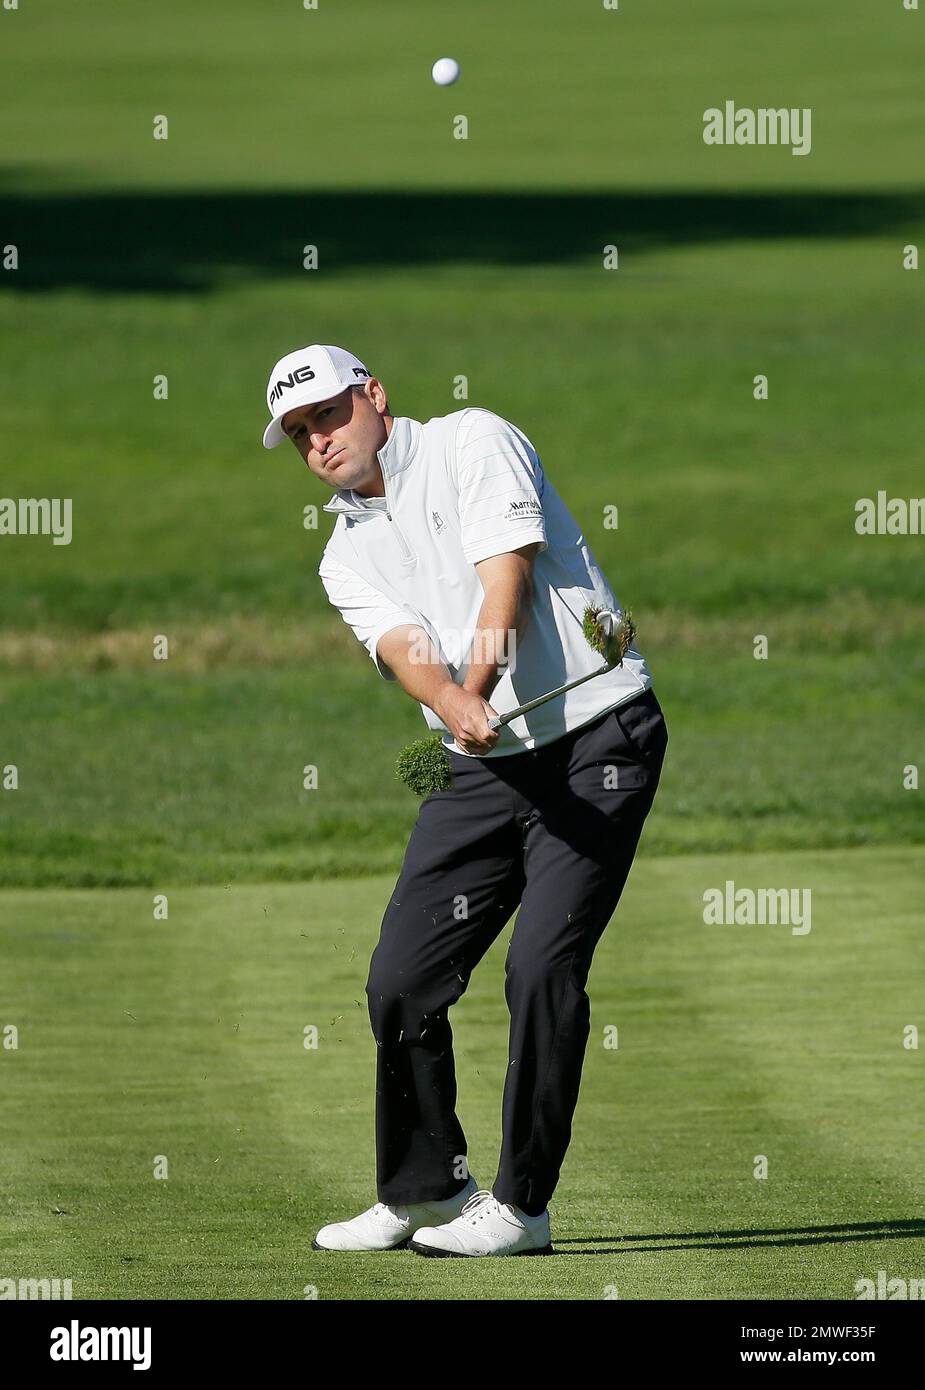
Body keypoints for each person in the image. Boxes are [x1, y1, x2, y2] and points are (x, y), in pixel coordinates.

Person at [261, 343, 669, 1257]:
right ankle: (427, 1187)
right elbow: (407, 649)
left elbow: (505, 578)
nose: (318, 441)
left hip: (598, 740)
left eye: (327, 414)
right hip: (480, 765)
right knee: (400, 979)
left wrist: (472, 687)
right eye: (298, 434)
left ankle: (523, 1206)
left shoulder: (471, 439)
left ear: (372, 396)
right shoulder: (343, 552)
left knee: (540, 968)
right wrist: (452, 705)